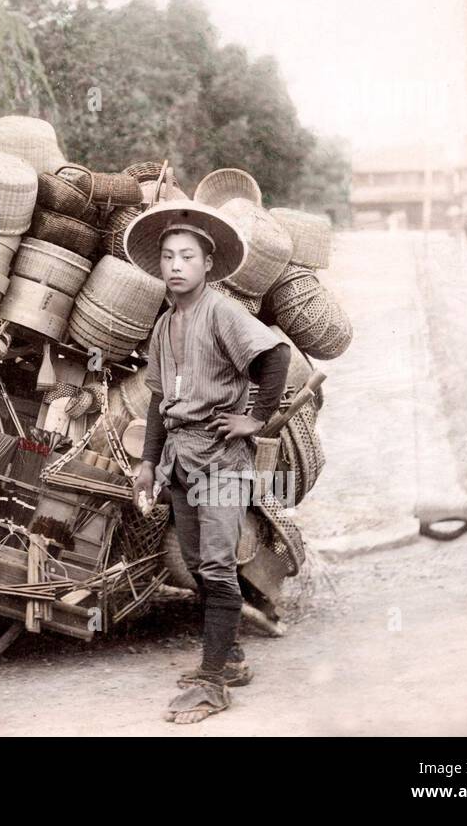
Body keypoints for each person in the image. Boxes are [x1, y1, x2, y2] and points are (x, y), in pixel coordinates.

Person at [123, 200, 290, 724]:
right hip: (180, 459)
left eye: (187, 257)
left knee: (216, 566)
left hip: (220, 460)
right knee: (197, 564)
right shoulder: (165, 324)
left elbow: (276, 357)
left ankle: (214, 683)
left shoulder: (221, 311)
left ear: (207, 266)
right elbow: (156, 398)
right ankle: (232, 657)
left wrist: (255, 420)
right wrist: (148, 462)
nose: (176, 265)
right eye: (168, 256)